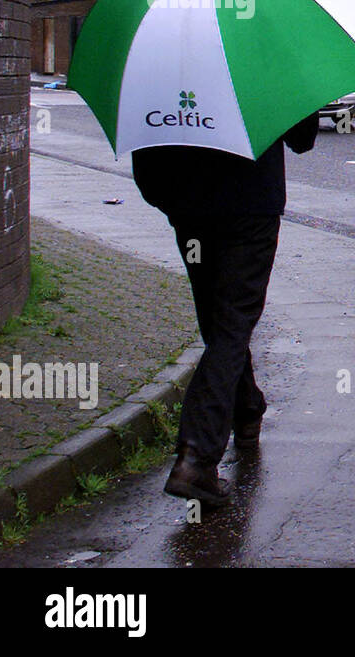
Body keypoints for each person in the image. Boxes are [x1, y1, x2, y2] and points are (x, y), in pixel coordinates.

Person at [131, 113, 320, 508]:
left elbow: (144, 147)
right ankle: (196, 458)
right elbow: (302, 138)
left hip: (190, 207)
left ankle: (247, 408)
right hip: (250, 204)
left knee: (219, 323)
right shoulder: (267, 54)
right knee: (231, 325)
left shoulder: (161, 57)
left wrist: (168, 197)